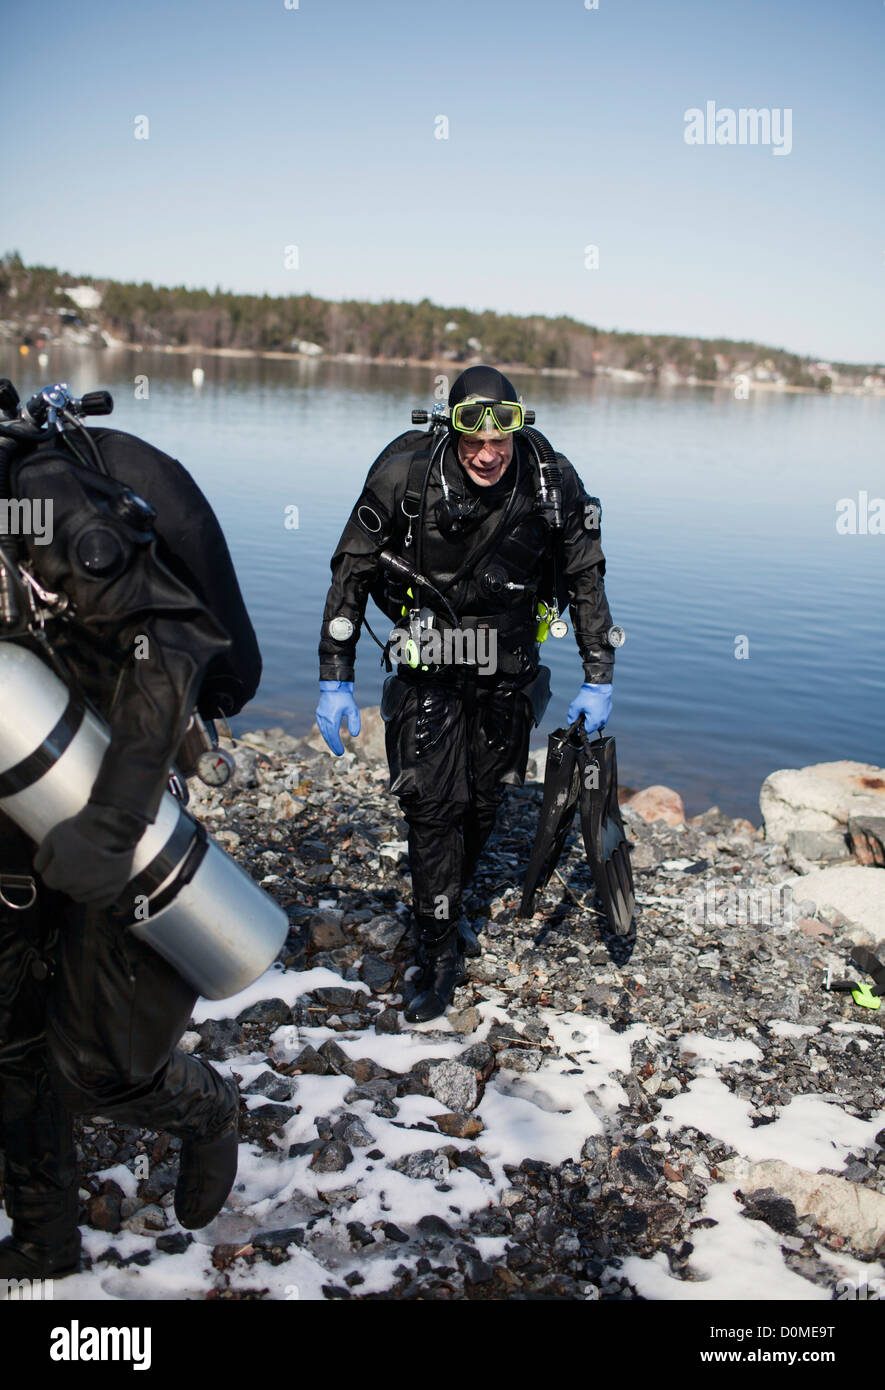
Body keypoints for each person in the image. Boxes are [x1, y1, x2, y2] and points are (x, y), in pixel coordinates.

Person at [0, 389, 262, 1279]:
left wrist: (112, 823)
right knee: (9, 1050)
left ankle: (206, 1109)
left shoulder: (35, 499)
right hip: (9, 800)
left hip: (111, 785)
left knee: (95, 1066)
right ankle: (44, 1247)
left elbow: (170, 636)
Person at [316, 365, 618, 1022]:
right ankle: (436, 948)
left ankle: (443, 899)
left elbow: (585, 575)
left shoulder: (551, 481)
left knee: (482, 805)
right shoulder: (405, 479)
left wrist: (599, 674)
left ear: (517, 425)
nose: (486, 454)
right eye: (471, 438)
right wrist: (334, 673)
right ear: (451, 428)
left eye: (499, 438)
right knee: (431, 808)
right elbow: (353, 568)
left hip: (508, 669)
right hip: (428, 667)